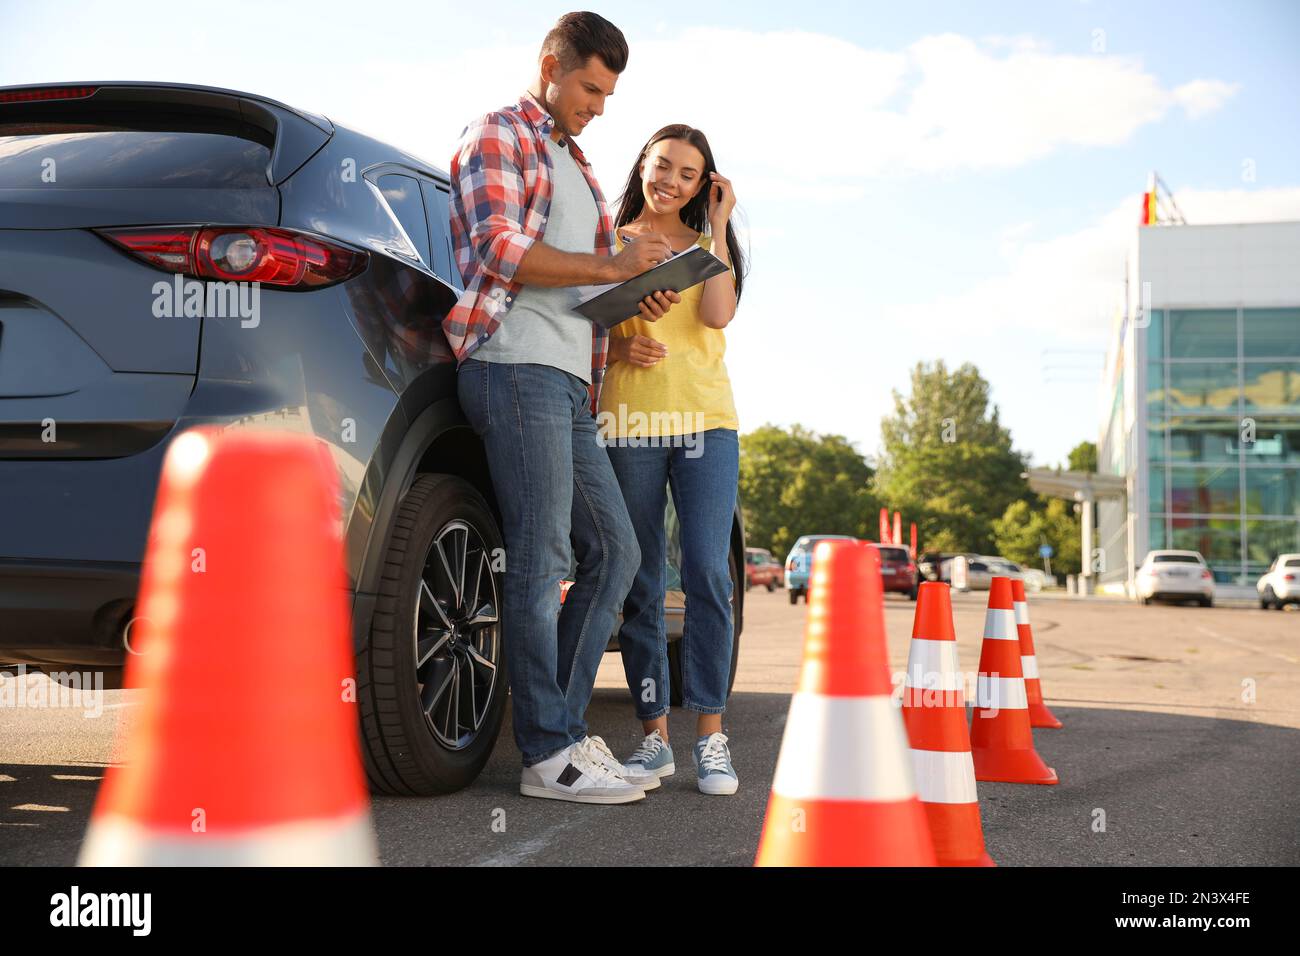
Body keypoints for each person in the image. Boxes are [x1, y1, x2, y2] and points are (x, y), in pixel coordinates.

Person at [445, 12, 684, 805]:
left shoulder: (577, 164)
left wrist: (626, 300)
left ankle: (560, 732)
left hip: (566, 380)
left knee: (616, 553)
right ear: (551, 64)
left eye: (610, 93)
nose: (599, 106)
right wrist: (607, 262)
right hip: (513, 369)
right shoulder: (498, 133)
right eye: (589, 87)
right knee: (544, 555)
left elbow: (578, 289)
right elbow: (498, 249)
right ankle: (548, 752)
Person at [595, 125, 747, 795]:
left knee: (709, 572)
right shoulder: (609, 237)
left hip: (706, 424)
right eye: (664, 166)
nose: (673, 181)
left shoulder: (709, 247)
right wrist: (621, 348)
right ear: (644, 166)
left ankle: (711, 736)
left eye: (690, 174)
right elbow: (584, 320)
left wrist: (717, 225)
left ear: (703, 183)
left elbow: (715, 317)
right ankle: (655, 738)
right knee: (642, 581)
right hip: (629, 420)